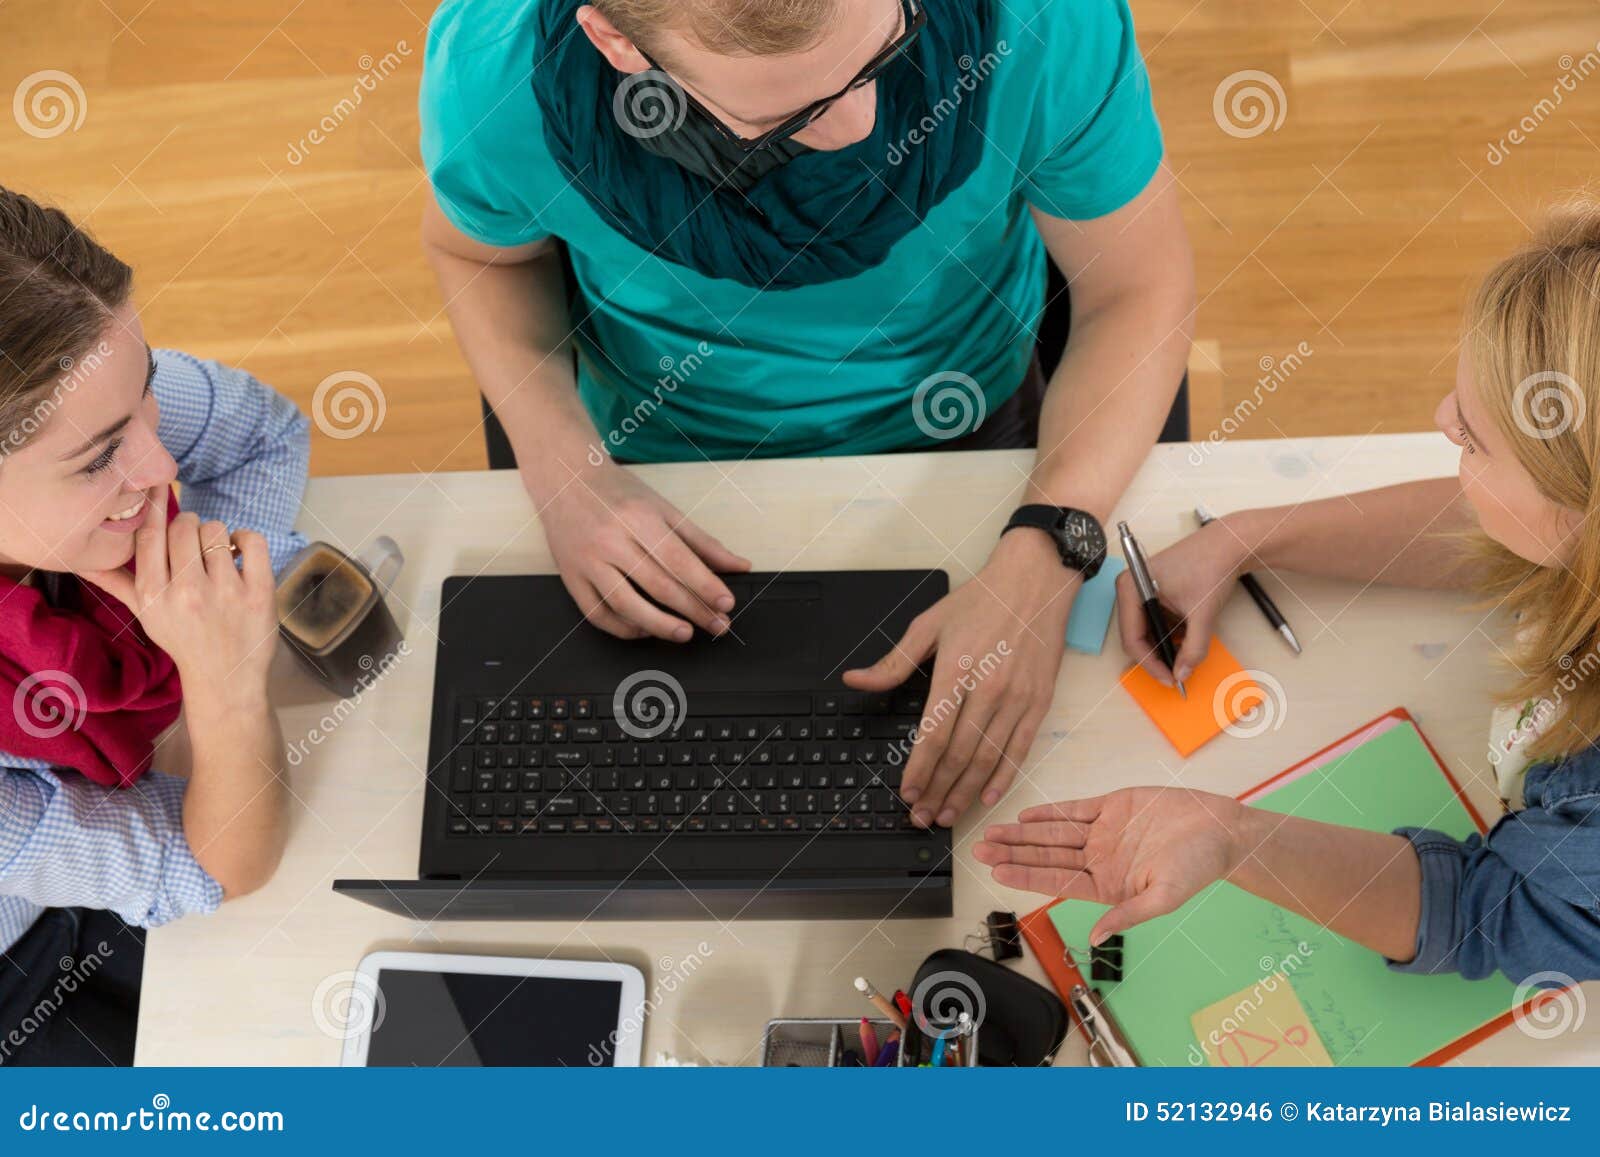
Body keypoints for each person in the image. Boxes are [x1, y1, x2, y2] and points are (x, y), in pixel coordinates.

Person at [419, 0, 1197, 828]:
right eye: (791, 114)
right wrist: (565, 474)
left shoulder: (1045, 21)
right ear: (618, 44)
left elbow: (1136, 290)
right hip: (657, 468)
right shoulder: (495, 76)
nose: (866, 125)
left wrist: (1048, 549)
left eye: (890, 45)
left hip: (973, 438)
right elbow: (482, 259)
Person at [976, 200, 1600, 985]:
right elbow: (1497, 526)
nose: (1443, 418)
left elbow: (1488, 910)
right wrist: (1243, 538)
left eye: (1474, 439)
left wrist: (1233, 837)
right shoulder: (1566, 521)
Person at [0, 187, 308, 1064]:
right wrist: (223, 682)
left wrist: (210, 583)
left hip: (90, 872)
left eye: (146, 394)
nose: (160, 461)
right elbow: (213, 867)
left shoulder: (77, 385)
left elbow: (262, 433)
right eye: (102, 456)